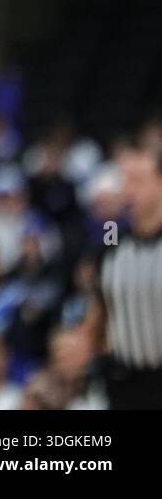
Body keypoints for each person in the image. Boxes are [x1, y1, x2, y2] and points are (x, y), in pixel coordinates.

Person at [86, 145, 162, 408]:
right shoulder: (109, 252)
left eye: (137, 181)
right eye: (125, 182)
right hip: (124, 385)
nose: (128, 191)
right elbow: (98, 319)